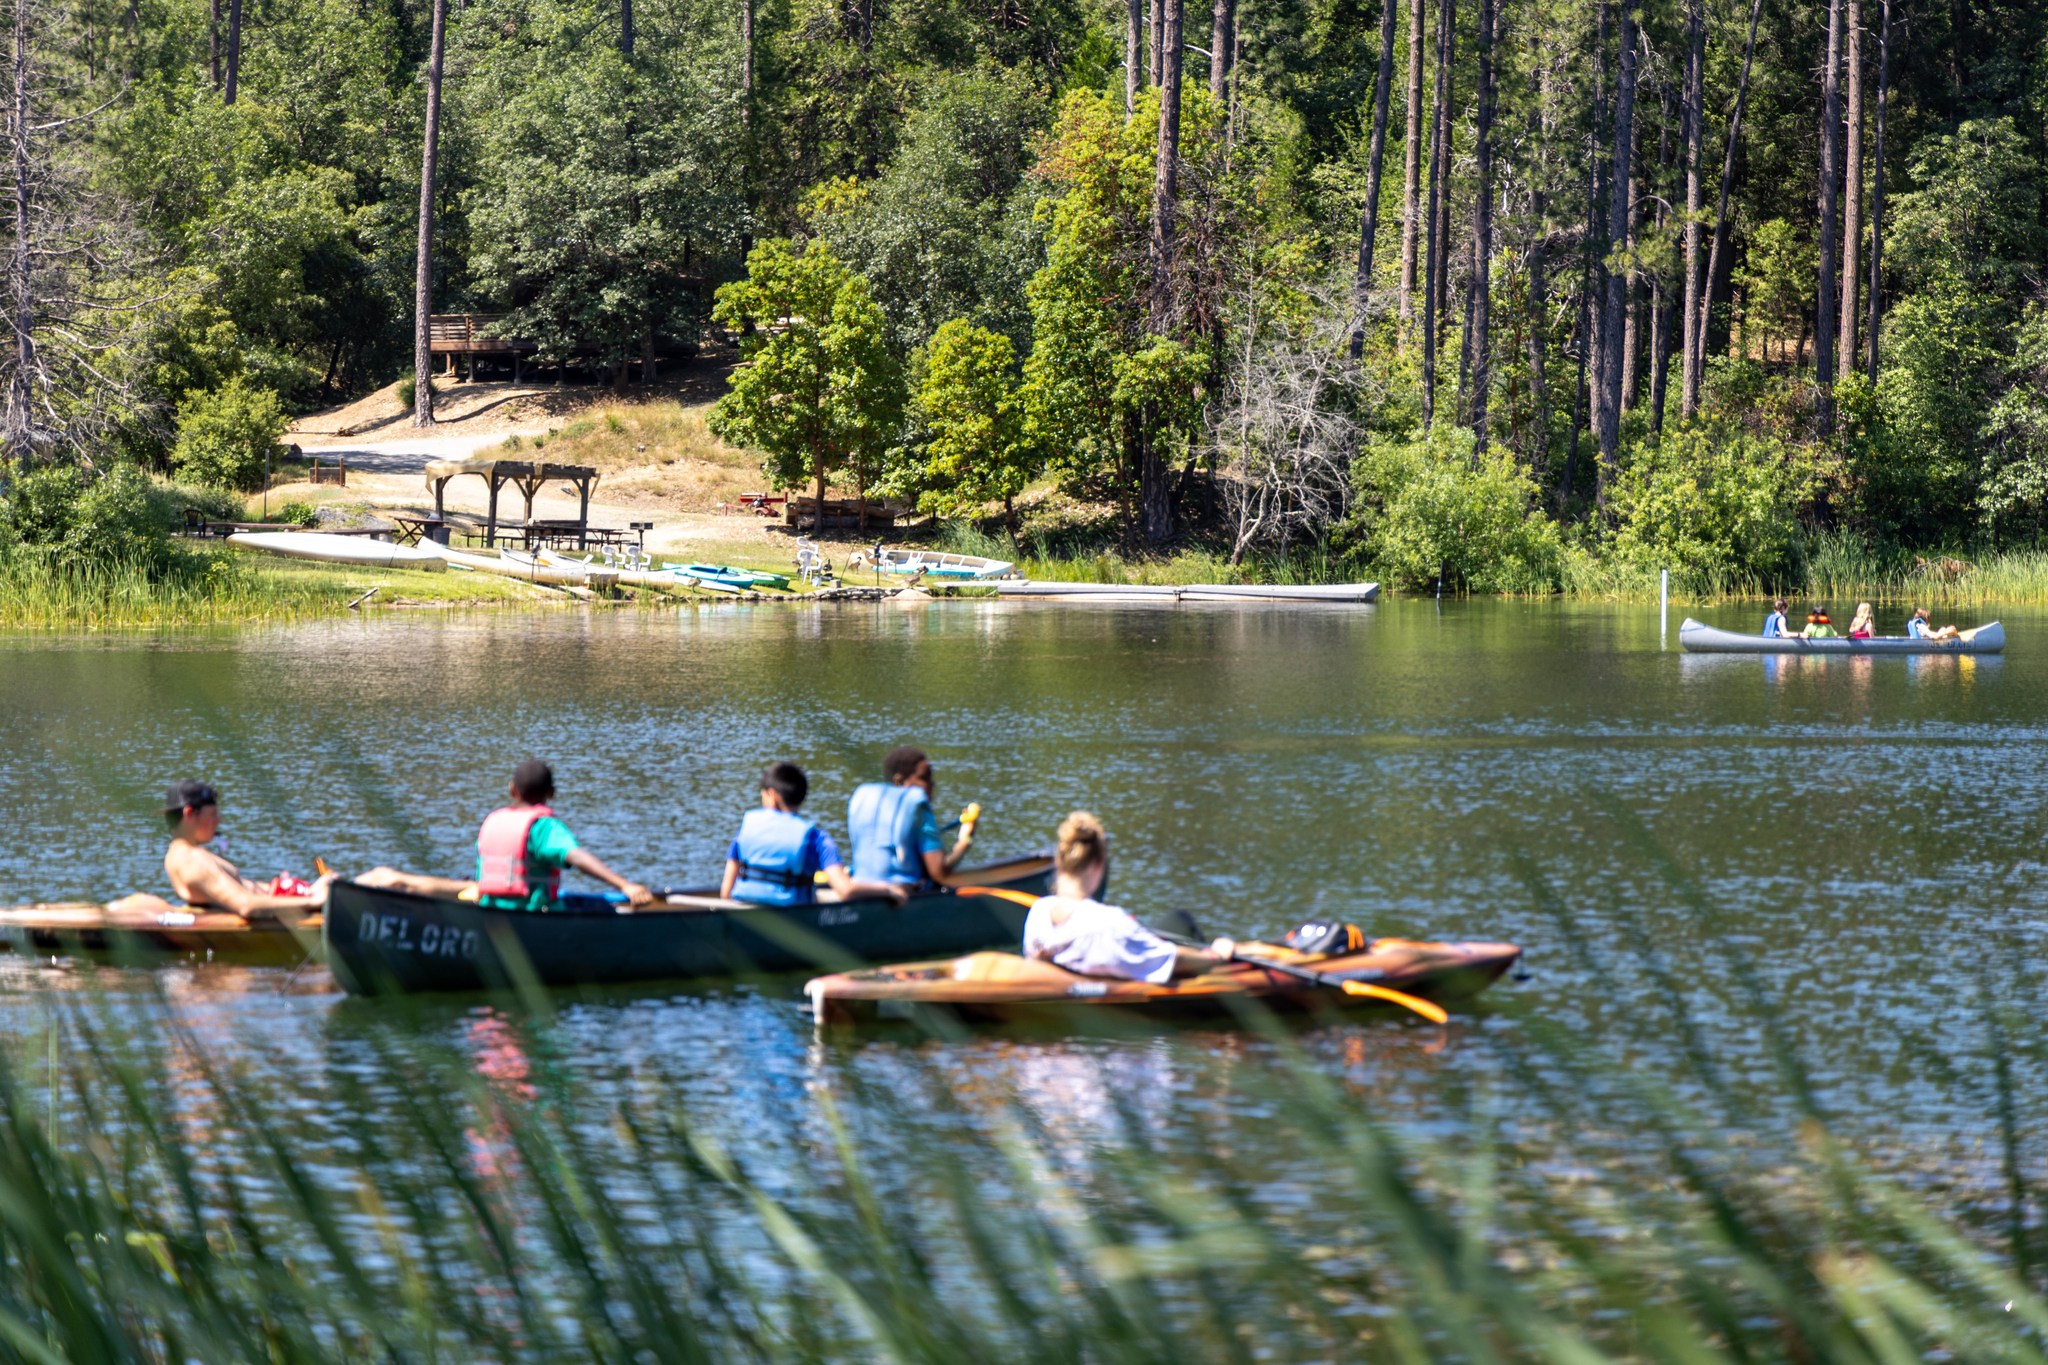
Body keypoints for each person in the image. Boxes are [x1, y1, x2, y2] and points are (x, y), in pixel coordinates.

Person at [1022, 812, 1230, 982]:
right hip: (1114, 973)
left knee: (1172, 924)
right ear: (1098, 865)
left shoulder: (1038, 912)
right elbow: (1171, 959)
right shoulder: (1108, 923)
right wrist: (1216, 956)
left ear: (1059, 861)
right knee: (1182, 919)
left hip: (1087, 968)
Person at [476, 760, 654, 912]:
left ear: (512, 790)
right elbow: (577, 857)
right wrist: (624, 885)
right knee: (609, 909)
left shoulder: (493, 821)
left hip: (490, 909)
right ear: (552, 793)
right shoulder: (543, 827)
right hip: (533, 912)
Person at [722, 762, 906, 905]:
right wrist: (888, 890)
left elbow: (726, 892)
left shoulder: (746, 829)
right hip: (794, 914)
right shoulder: (816, 838)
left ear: (773, 796)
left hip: (744, 906)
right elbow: (845, 891)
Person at [160, 780, 334, 919]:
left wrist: (311, 890)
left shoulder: (183, 854)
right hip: (284, 908)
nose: (218, 820)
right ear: (189, 814)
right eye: (213, 814)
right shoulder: (192, 860)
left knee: (341, 882)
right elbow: (245, 905)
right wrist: (315, 901)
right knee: (359, 883)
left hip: (285, 896)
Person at [846, 746, 977, 890]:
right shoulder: (918, 805)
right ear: (899, 781)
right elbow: (939, 874)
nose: (932, 784)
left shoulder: (863, 797)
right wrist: (965, 840)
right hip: (902, 894)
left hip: (861, 885)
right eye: (924, 778)